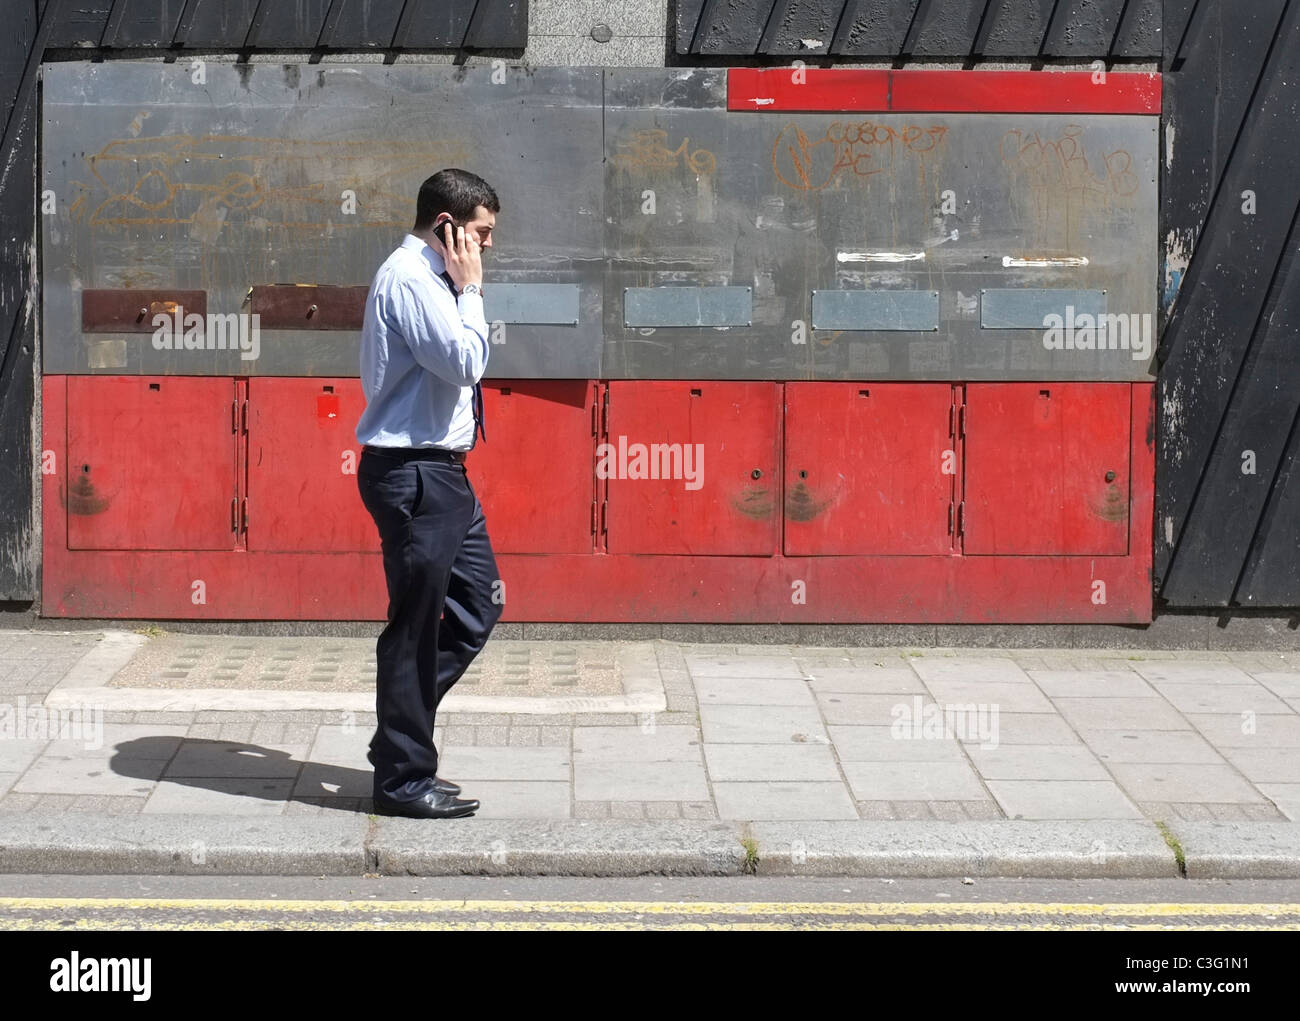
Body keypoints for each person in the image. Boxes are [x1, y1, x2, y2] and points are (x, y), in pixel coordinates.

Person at [354, 168, 503, 819]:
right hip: (414, 472)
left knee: (478, 605)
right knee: (414, 631)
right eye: (481, 233)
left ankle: (398, 728)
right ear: (446, 226)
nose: (487, 247)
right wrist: (471, 292)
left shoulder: (432, 278)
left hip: (444, 474)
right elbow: (464, 362)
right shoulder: (413, 279)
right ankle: (403, 778)